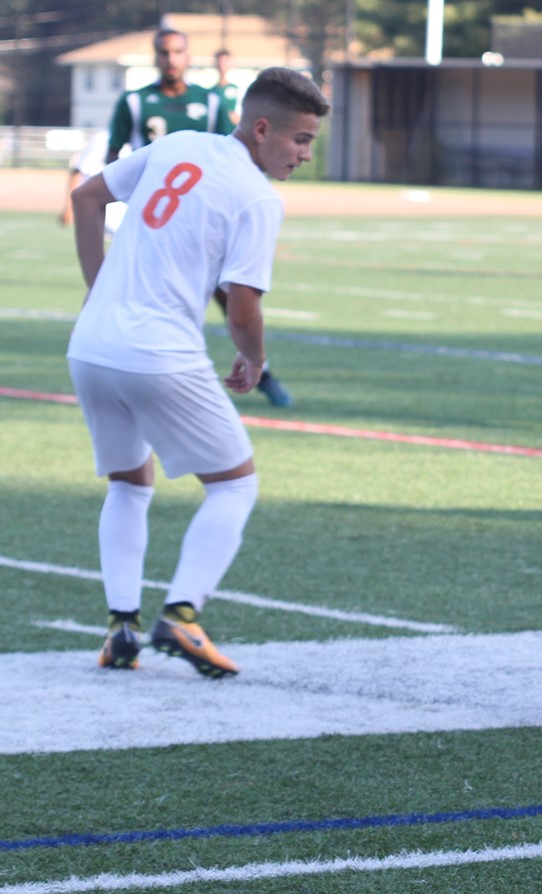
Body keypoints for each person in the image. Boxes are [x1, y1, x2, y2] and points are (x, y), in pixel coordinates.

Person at [68, 67, 330, 678]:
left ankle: (120, 630)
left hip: (91, 346)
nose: (306, 154)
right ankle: (182, 615)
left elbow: (85, 197)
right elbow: (243, 309)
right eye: (300, 140)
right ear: (261, 128)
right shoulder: (259, 196)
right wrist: (256, 360)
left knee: (130, 485)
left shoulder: (182, 144)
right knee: (235, 484)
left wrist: (97, 290)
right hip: (159, 354)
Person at [108, 27, 293, 408]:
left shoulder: (207, 102)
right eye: (163, 52)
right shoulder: (135, 102)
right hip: (156, 223)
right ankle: (145, 375)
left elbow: (235, 153)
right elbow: (113, 158)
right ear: (155, 55)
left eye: (177, 51)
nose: (170, 58)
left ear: (188, 55)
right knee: (152, 299)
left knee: (232, 296)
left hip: (206, 221)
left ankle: (263, 372)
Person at [215, 48, 241, 126]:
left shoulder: (237, 89)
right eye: (220, 61)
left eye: (225, 61)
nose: (222, 64)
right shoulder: (211, 91)